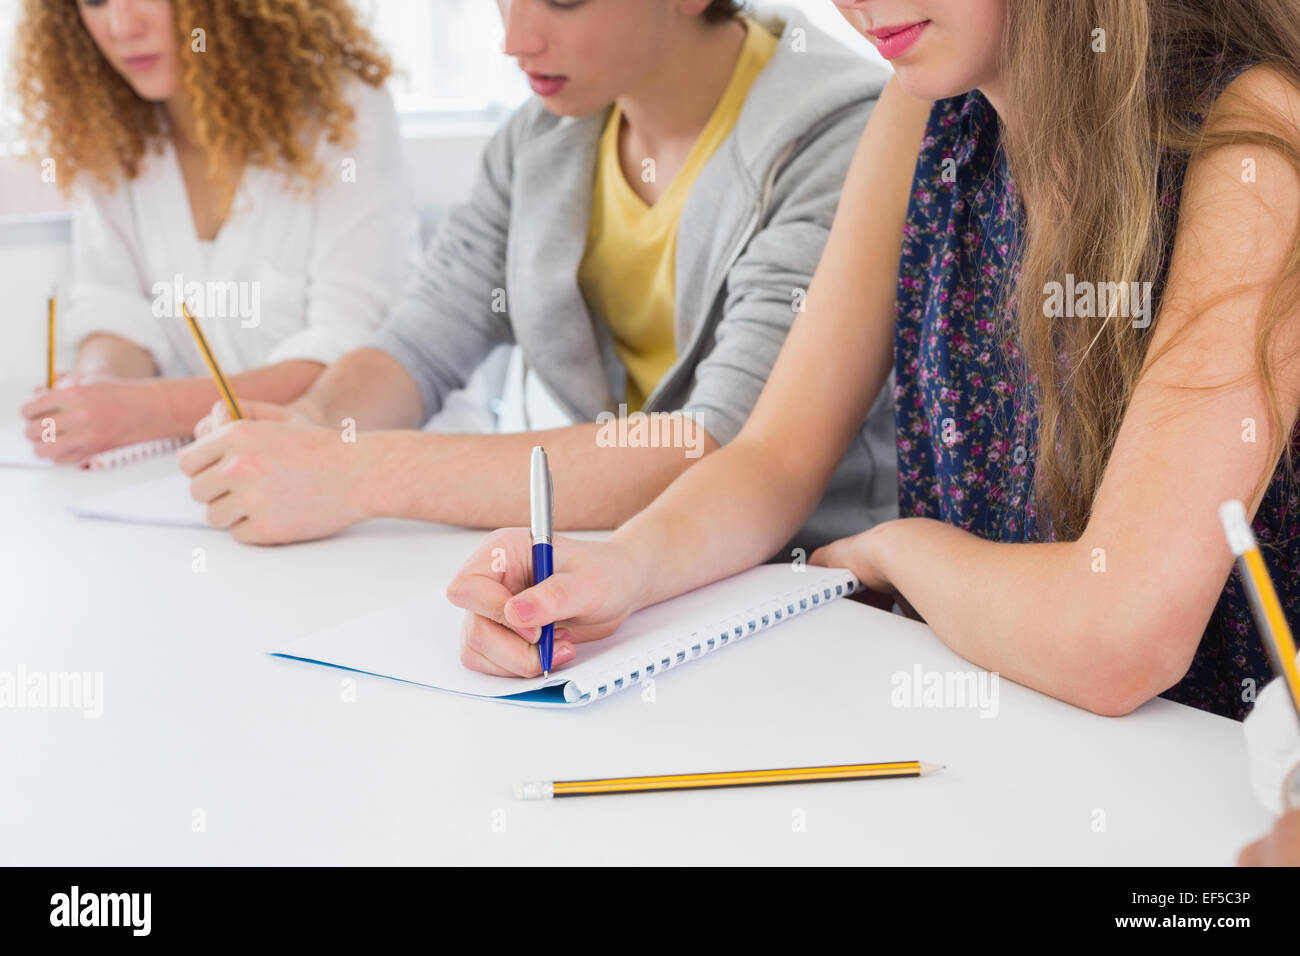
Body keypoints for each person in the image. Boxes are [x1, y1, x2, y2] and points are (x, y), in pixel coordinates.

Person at [446, 0, 1300, 718]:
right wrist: (620, 568)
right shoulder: (922, 107)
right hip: (1011, 731)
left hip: (1219, 789)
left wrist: (899, 555)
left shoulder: (1257, 137)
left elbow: (1119, 636)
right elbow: (775, 456)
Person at [176, 0, 898, 551]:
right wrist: (311, 426)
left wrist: (356, 471)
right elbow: (421, 341)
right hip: (636, 571)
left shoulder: (837, 138)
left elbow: (714, 446)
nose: (513, 37)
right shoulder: (544, 135)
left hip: (811, 586)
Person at [14, 0, 417, 464]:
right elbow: (117, 311)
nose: (122, 26)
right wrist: (92, 392)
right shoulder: (110, 129)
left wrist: (142, 411)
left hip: (372, 469)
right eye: (95, 0)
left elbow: (349, 364)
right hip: (228, 470)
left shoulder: (344, 112)